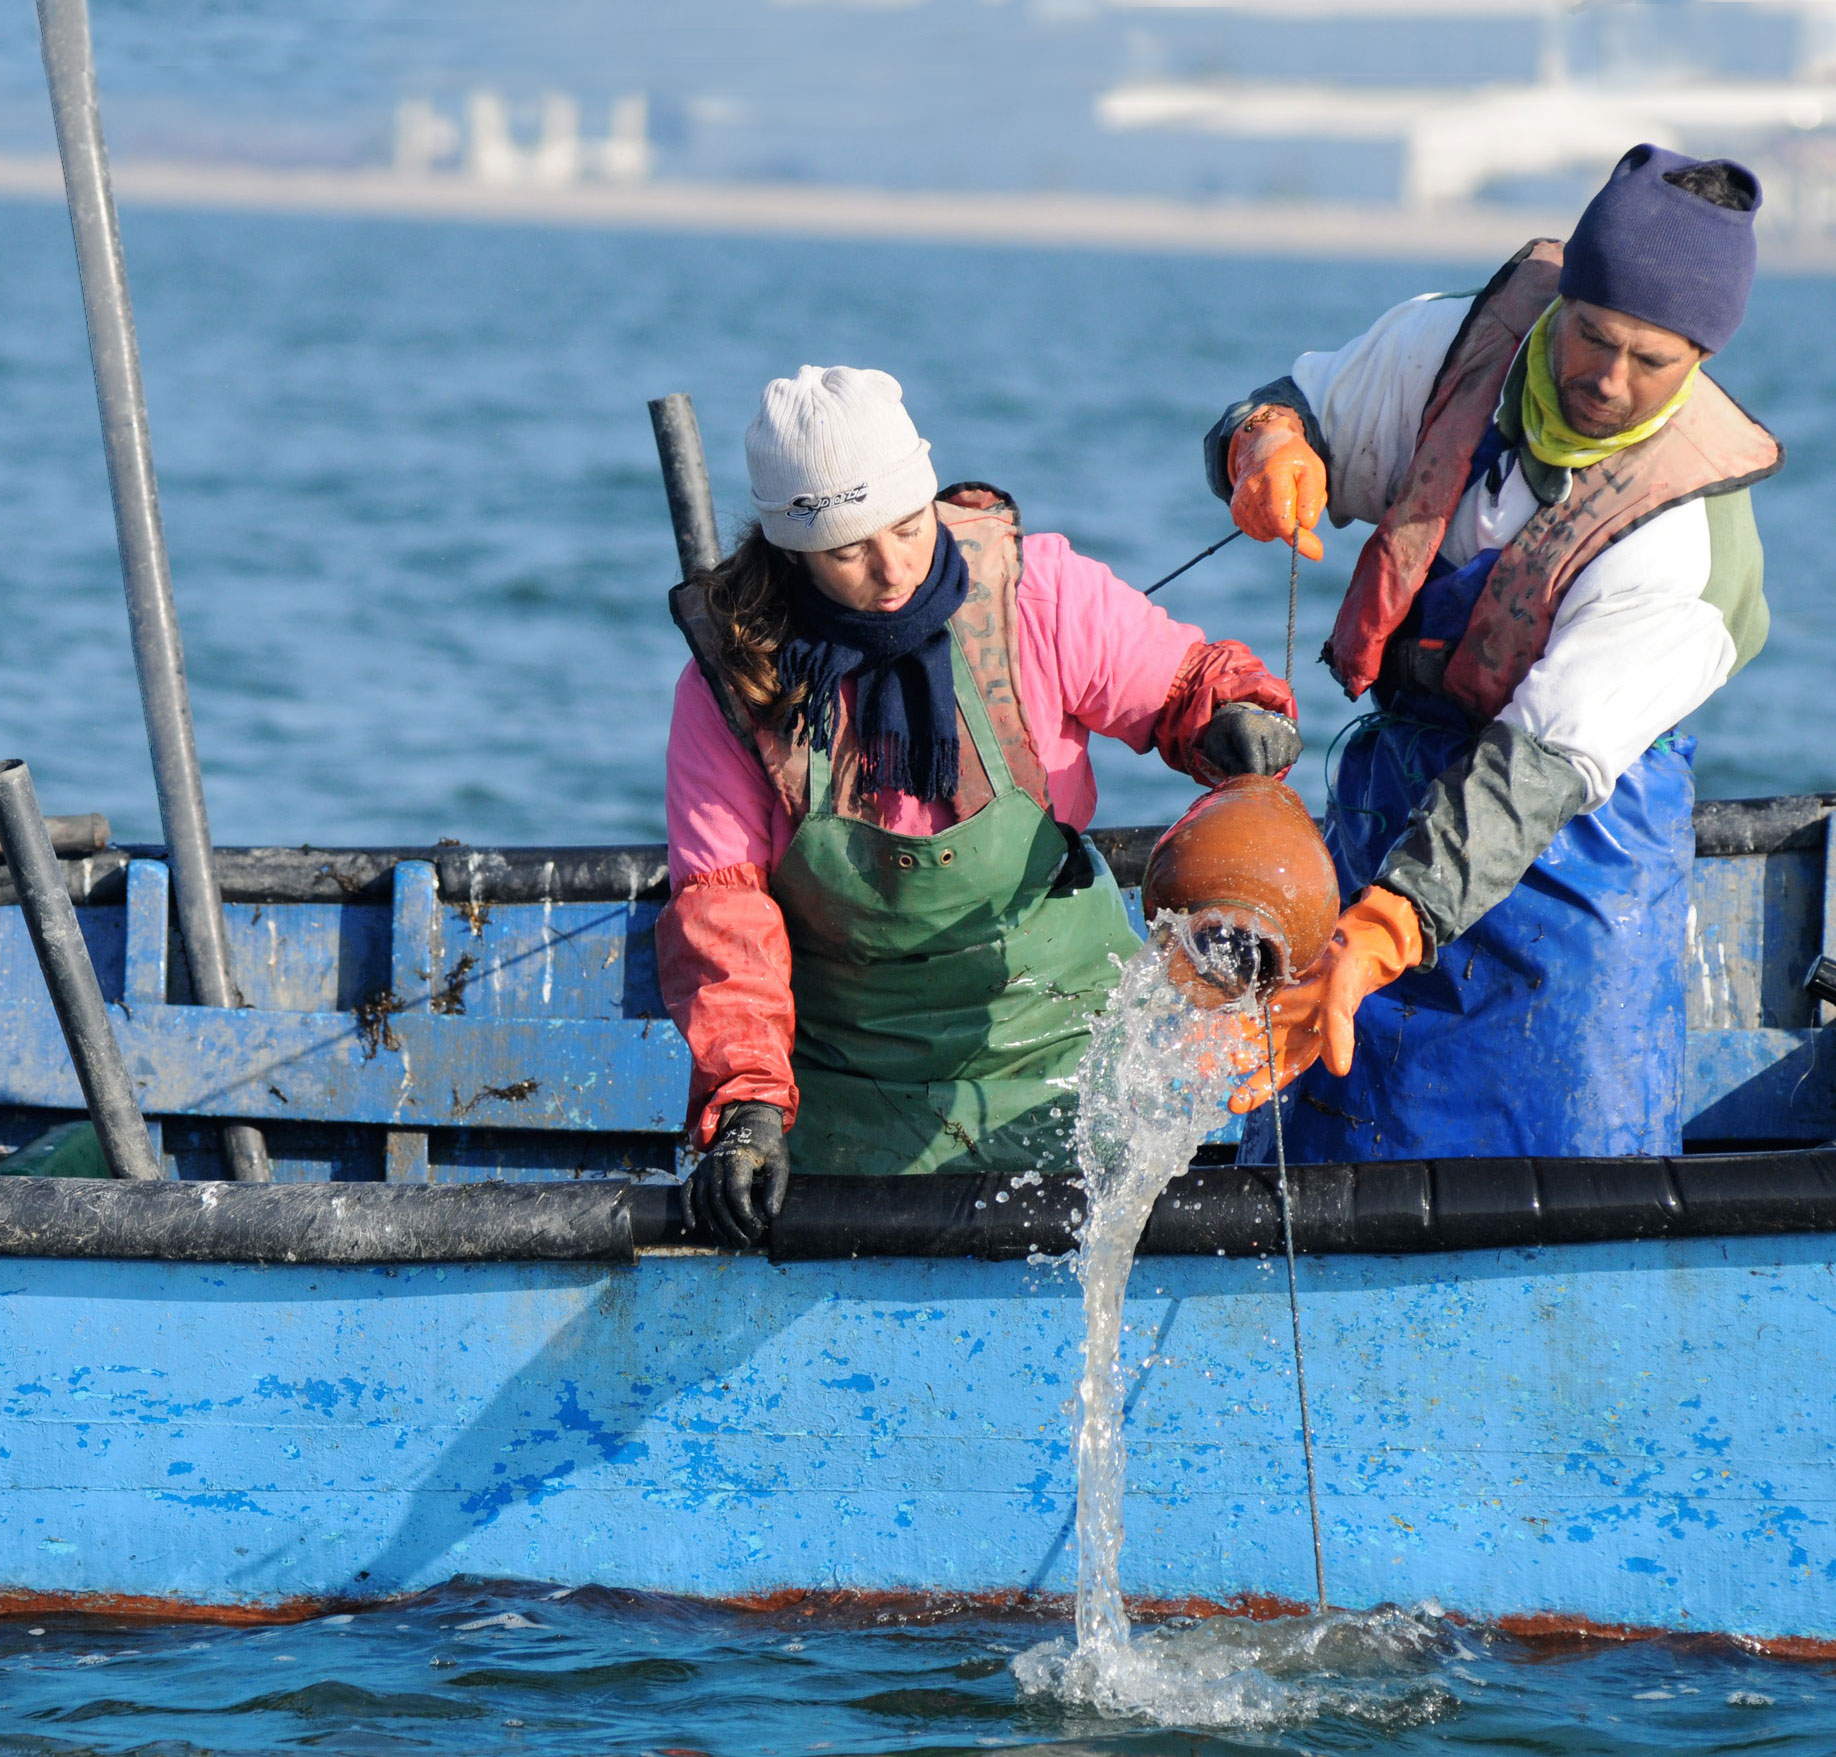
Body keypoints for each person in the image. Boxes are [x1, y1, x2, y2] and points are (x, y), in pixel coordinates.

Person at [1211, 144, 1782, 1160]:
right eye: (1591, 336)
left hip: (1573, 871)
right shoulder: (1448, 344)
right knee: (1322, 1145)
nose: (1605, 379)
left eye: (1649, 362)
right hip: (1388, 812)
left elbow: (1532, 773)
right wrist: (1265, 447)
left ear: (1700, 358)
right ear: (1564, 300)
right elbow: (1297, 406)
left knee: (1559, 1181)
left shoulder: (1682, 546)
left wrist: (1386, 927)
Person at [659, 364, 1302, 1245]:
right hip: (855, 1104)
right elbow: (722, 914)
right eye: (848, 550)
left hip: (1076, 1067)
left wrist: (1228, 716)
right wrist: (747, 1110)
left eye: (909, 526)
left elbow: (1180, 683)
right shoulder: (736, 683)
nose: (892, 569)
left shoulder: (1033, 591)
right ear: (790, 551)